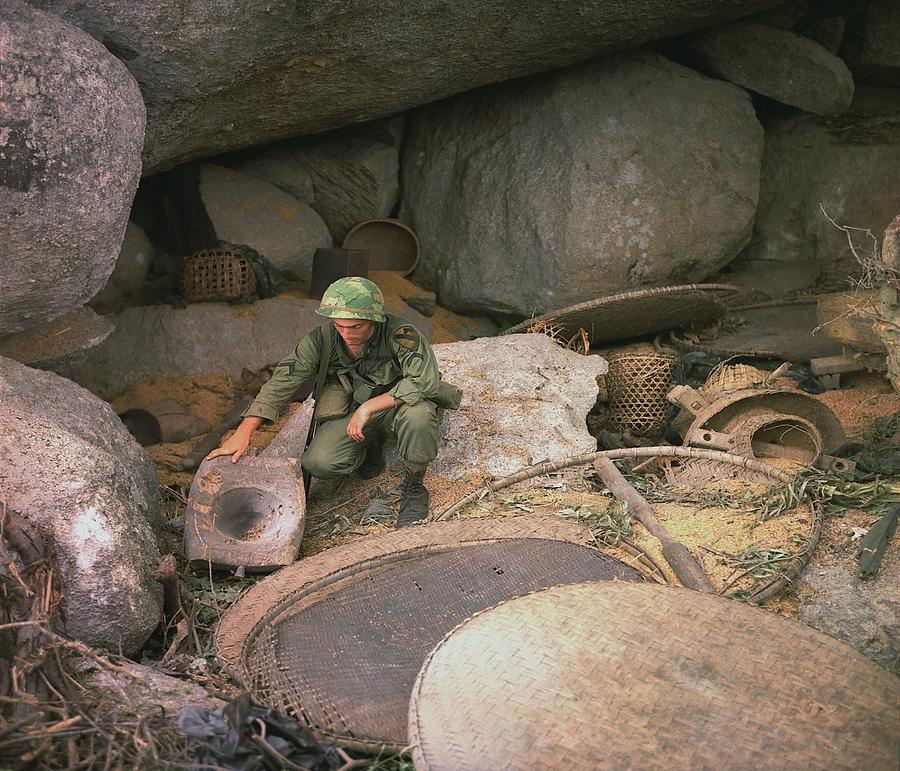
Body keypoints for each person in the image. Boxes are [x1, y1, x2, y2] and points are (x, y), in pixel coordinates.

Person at [207, 276, 453, 527]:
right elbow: (281, 382)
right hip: (354, 409)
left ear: (374, 319)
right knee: (318, 462)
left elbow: (424, 381)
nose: (346, 334)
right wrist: (244, 431)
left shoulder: (401, 335)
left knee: (419, 416)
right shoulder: (321, 340)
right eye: (339, 325)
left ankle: (414, 488)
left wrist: (370, 407)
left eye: (356, 327)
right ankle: (371, 443)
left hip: (398, 406)